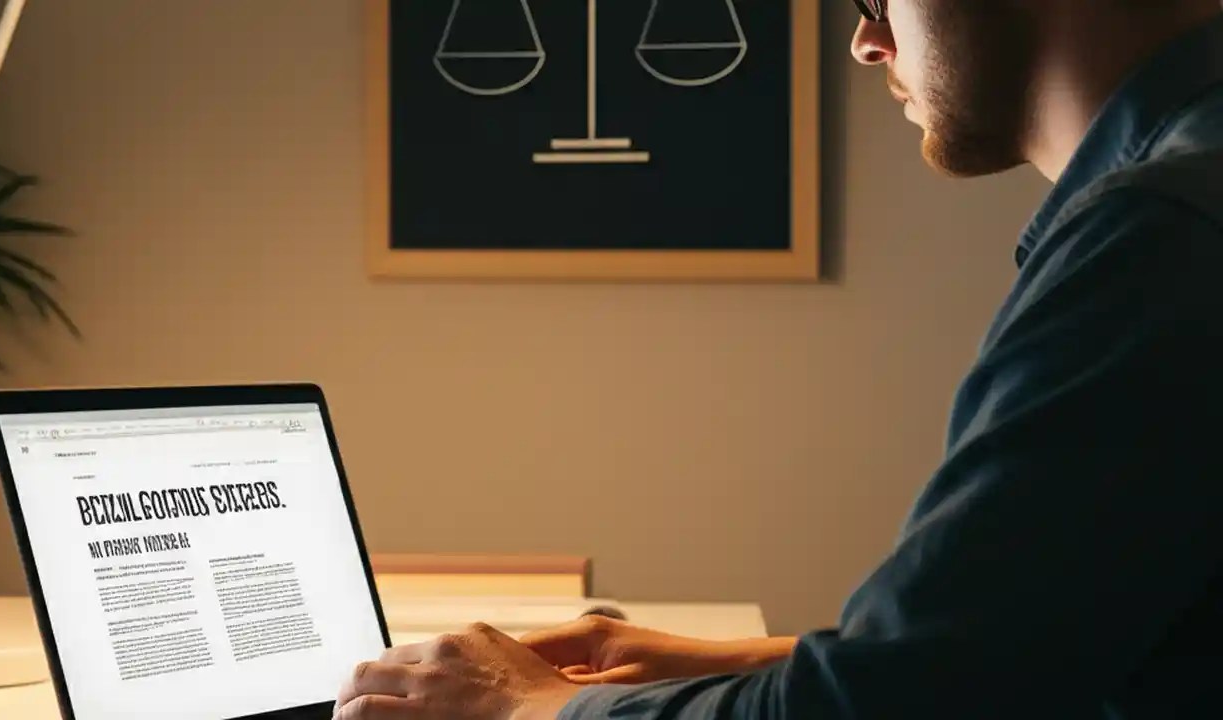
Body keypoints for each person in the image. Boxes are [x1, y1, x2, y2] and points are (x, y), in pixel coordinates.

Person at [333, 0, 1223, 717]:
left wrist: (526, 710)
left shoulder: (1157, 235)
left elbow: (902, 706)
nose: (866, 43)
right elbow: (1032, 646)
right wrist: (753, 663)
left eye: (876, 0)